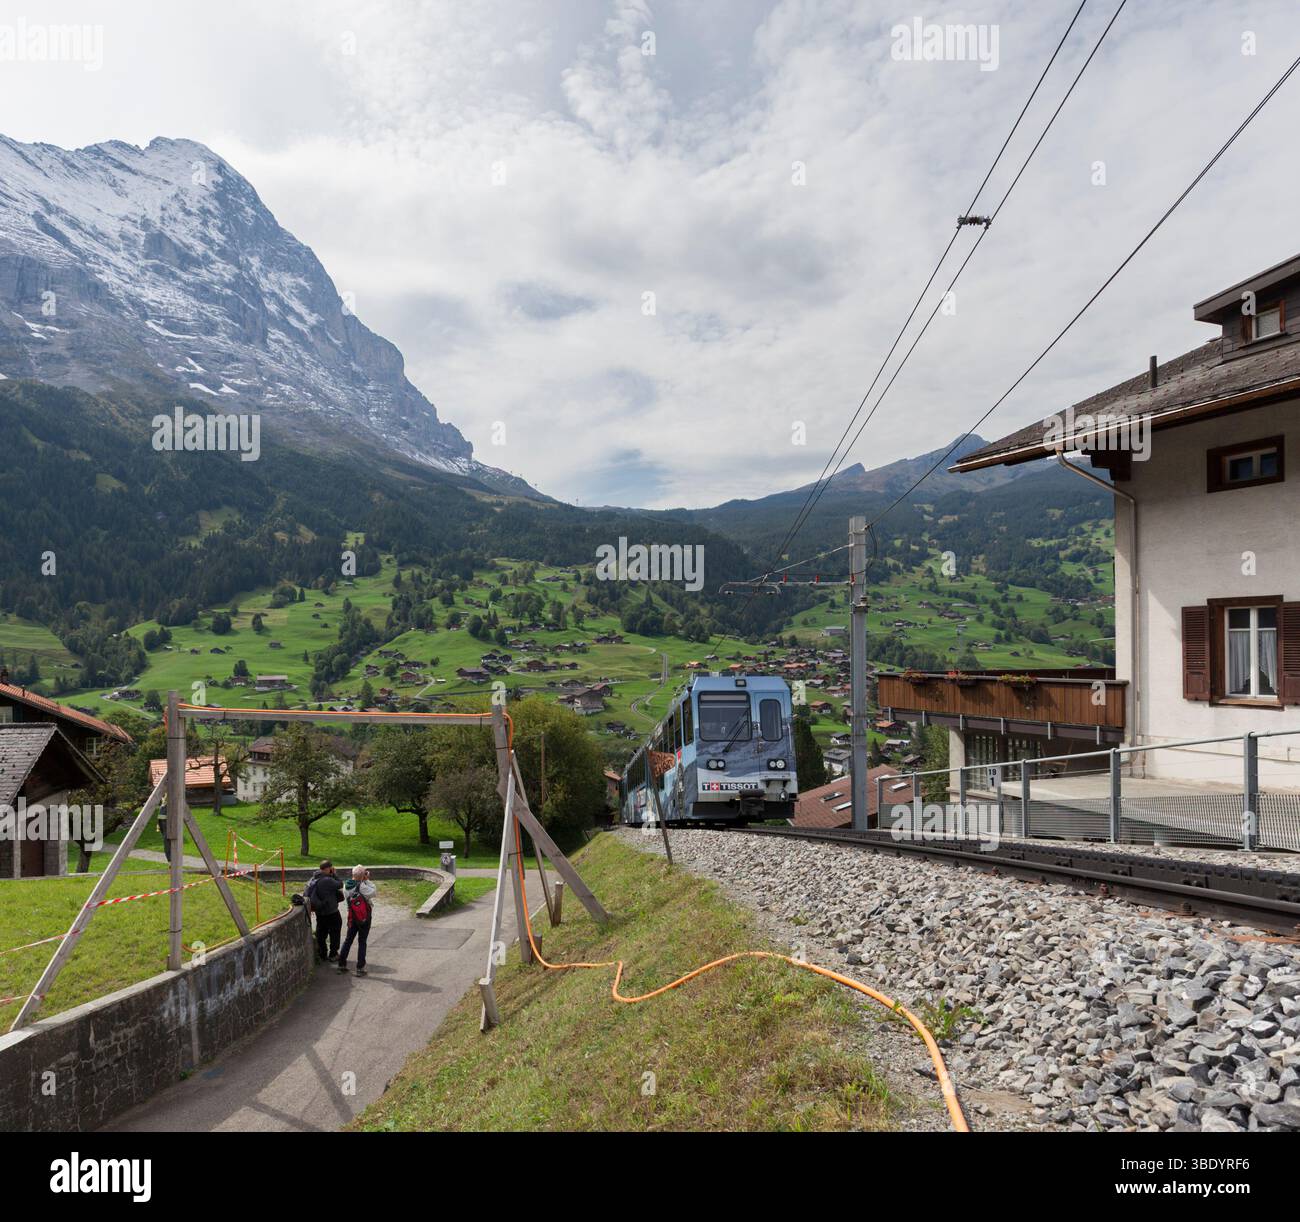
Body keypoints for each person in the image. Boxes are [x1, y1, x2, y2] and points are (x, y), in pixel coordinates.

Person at [338, 864, 376, 977]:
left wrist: (362, 878)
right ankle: (360, 968)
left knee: (348, 940)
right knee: (362, 941)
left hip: (352, 916)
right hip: (364, 917)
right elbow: (374, 892)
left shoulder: (346, 885)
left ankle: (341, 964)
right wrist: (367, 880)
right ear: (362, 876)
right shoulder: (363, 886)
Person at [305, 859, 344, 962]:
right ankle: (333, 954)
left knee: (321, 933)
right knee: (335, 932)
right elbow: (340, 884)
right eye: (331, 868)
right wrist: (334, 874)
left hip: (320, 911)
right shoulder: (327, 880)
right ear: (328, 868)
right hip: (331, 911)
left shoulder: (313, 878)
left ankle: (322, 954)